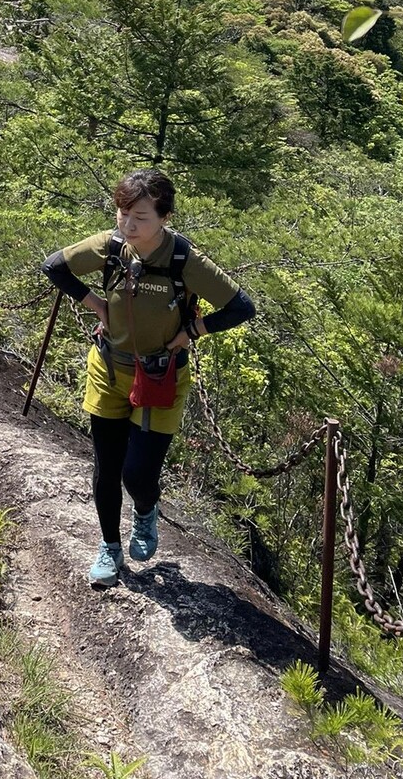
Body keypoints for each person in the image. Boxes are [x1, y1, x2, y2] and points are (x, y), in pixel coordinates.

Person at [41, 167, 255, 588]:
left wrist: (192, 331)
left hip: (161, 378)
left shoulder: (183, 260)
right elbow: (54, 267)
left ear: (165, 217)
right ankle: (110, 548)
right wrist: (97, 304)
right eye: (122, 213)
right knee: (105, 467)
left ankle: (145, 512)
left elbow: (241, 307)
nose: (128, 224)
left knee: (137, 475)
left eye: (140, 215)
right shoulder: (111, 247)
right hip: (108, 369)